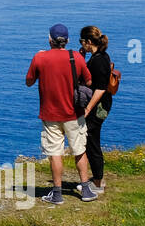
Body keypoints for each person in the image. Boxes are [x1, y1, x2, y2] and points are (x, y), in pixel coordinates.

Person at [26, 23, 99, 205]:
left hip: (50, 114)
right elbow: (89, 81)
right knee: (80, 150)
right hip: (74, 113)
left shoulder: (40, 58)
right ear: (67, 40)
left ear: (50, 39)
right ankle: (86, 190)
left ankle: (57, 194)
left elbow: (28, 81)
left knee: (55, 153)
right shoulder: (75, 57)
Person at [79, 25, 114, 195]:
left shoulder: (99, 60)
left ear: (88, 41)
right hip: (101, 105)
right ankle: (96, 179)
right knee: (91, 141)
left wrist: (87, 109)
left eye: (82, 41)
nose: (81, 44)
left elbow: (100, 89)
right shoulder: (99, 56)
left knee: (92, 142)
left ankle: (98, 182)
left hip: (98, 106)